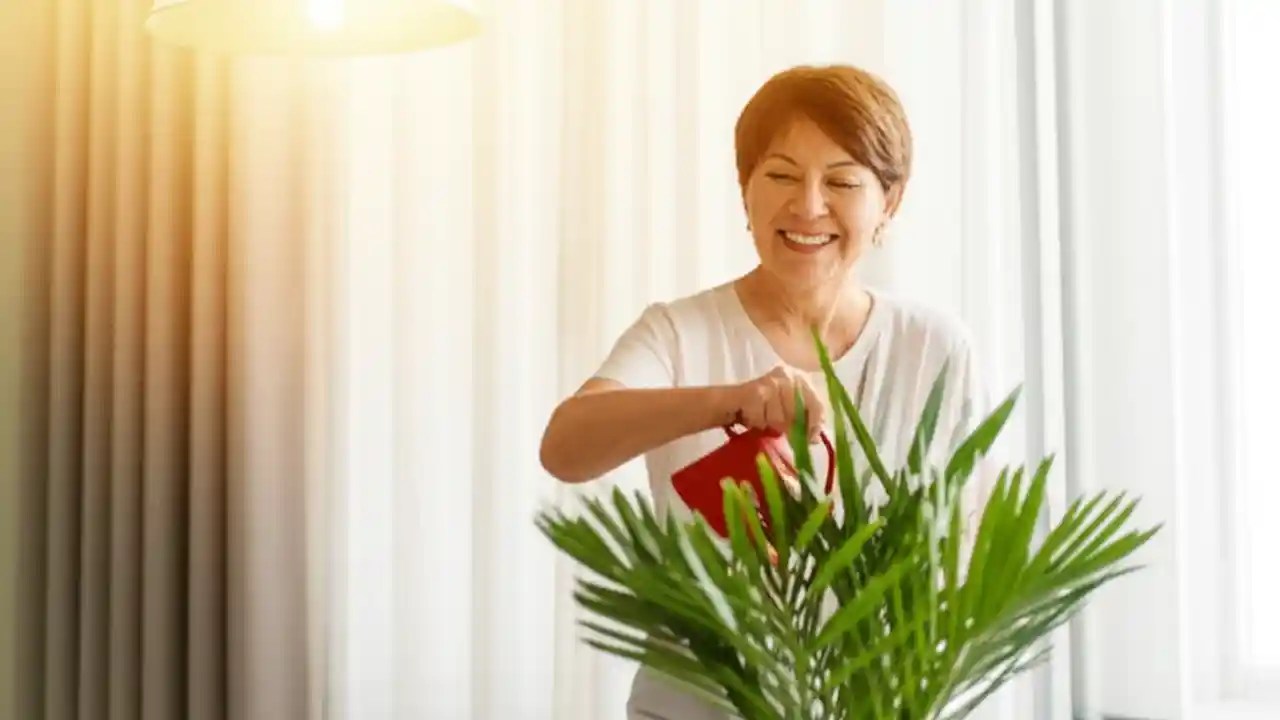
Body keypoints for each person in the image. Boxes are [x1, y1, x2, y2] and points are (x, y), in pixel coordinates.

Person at [539, 63, 992, 720]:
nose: (808, 206)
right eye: (781, 176)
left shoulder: (934, 348)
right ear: (745, 190)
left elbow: (969, 553)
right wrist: (729, 400)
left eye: (841, 181)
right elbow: (565, 446)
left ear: (889, 202)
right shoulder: (678, 331)